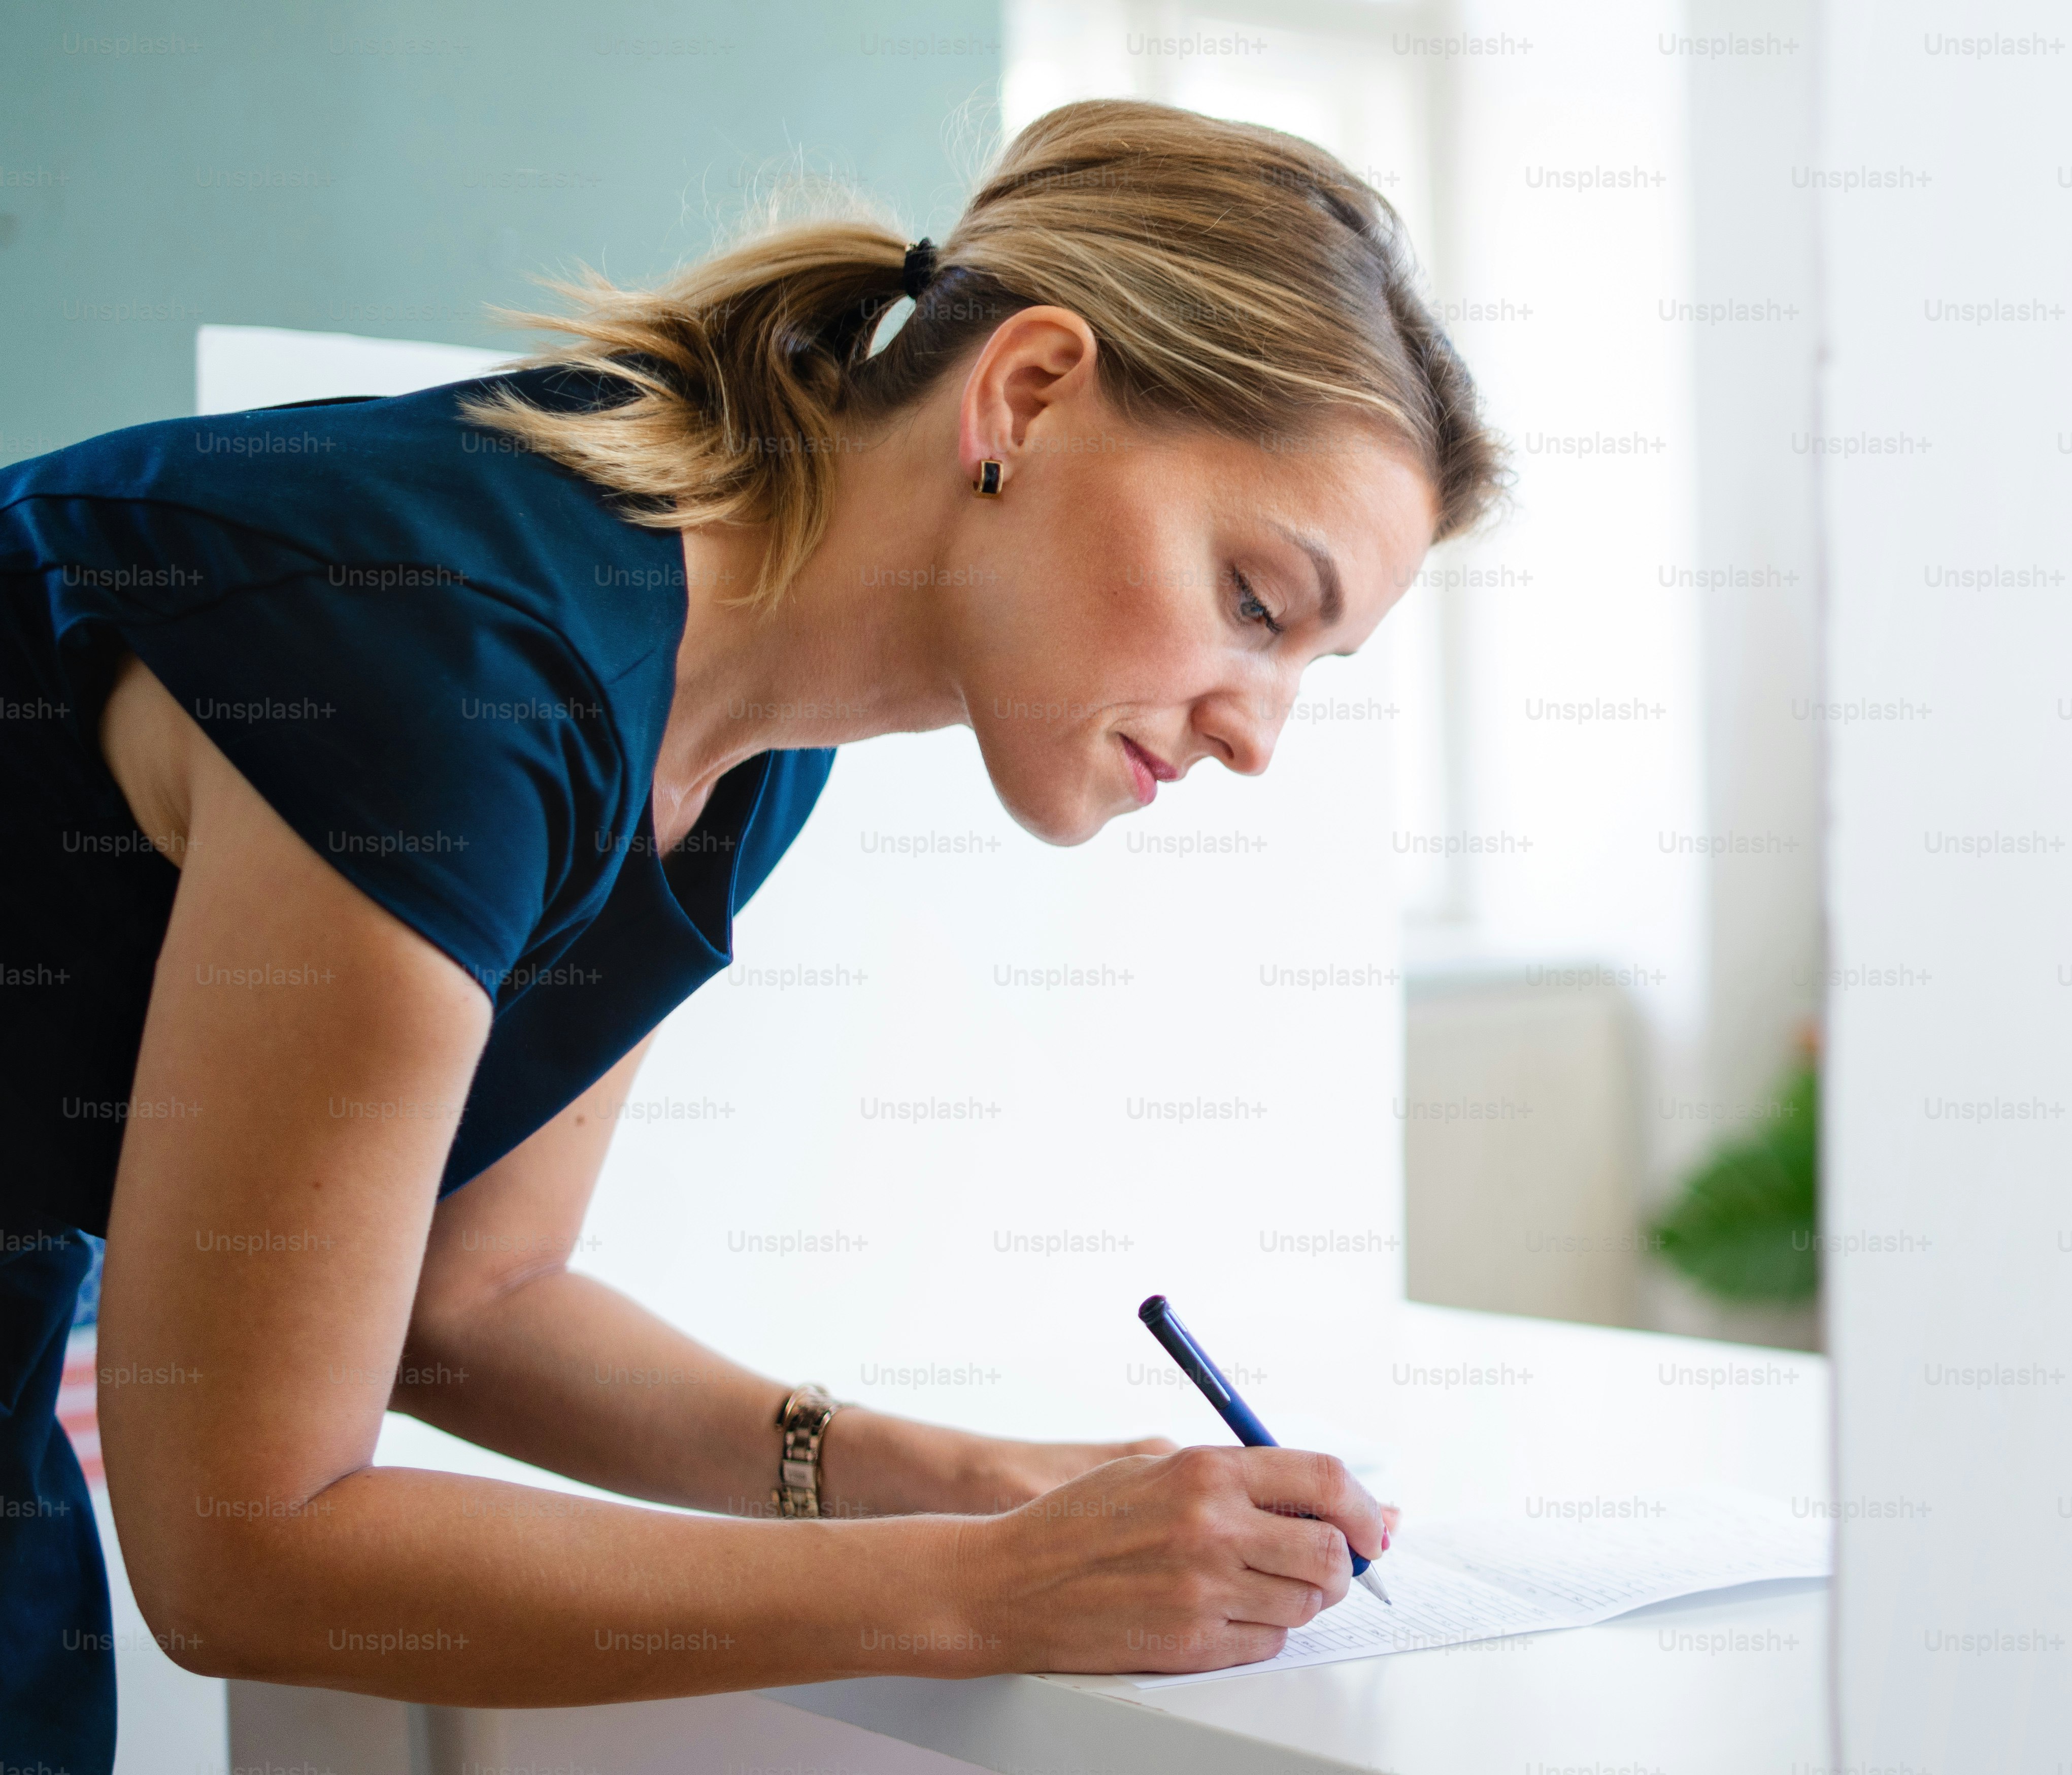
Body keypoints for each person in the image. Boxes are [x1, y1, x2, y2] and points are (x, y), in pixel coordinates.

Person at [0, 98, 1499, 1767]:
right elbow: (246, 1551)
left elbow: (467, 1302)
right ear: (1027, 393)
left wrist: (980, 1482)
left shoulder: (743, 741)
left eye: (1310, 663)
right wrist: (986, 1590)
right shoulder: (459, 674)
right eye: (1254, 602)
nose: (1255, 734)